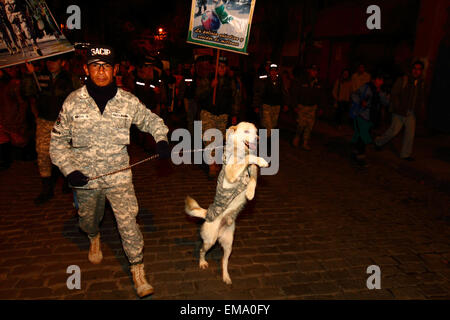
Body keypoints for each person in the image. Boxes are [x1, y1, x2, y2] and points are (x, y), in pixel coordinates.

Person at [49, 45, 170, 298]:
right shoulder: (72, 102)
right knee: (87, 219)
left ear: (115, 69)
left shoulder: (128, 101)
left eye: (106, 66)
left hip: (119, 175)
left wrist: (161, 139)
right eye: (95, 65)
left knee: (128, 223)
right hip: (85, 179)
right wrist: (69, 170)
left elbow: (153, 121)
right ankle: (93, 236)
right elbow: (57, 144)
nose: (101, 71)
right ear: (86, 69)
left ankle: (137, 267)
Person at [23, 55, 81, 205]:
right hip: (45, 120)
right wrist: (29, 75)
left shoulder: (71, 78)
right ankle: (47, 189)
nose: (50, 64)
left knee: (67, 153)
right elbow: (27, 92)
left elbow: (81, 98)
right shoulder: (38, 76)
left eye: (54, 61)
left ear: (62, 62)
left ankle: (68, 180)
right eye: (48, 61)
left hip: (65, 122)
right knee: (43, 154)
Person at [374, 61, 426, 161]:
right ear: (412, 69)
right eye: (415, 68)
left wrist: (420, 109)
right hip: (400, 111)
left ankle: (405, 154)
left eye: (419, 69)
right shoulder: (403, 79)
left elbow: (421, 97)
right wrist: (398, 107)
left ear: (421, 71)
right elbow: (394, 93)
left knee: (410, 134)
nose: (416, 71)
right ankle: (378, 142)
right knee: (393, 131)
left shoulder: (421, 83)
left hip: (411, 112)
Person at [200, 56, 238, 178]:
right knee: (210, 139)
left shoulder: (231, 81)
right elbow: (199, 96)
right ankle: (212, 165)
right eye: (219, 65)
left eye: (224, 66)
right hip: (208, 113)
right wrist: (211, 87)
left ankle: (215, 162)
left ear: (226, 68)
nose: (221, 68)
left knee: (218, 141)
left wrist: (234, 114)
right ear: (215, 67)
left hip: (223, 115)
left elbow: (235, 99)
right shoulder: (207, 78)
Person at [350, 73, 389, 167]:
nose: (380, 82)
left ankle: (356, 151)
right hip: (363, 115)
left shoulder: (381, 91)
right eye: (379, 79)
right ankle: (360, 157)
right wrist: (361, 102)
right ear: (374, 80)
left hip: (373, 117)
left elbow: (386, 103)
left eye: (382, 80)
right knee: (364, 136)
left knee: (362, 135)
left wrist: (382, 94)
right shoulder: (366, 87)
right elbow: (354, 95)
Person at [253, 63, 288, 151]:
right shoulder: (264, 80)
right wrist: (256, 105)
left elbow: (284, 93)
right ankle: (266, 145)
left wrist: (285, 104)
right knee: (268, 125)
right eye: (272, 71)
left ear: (277, 72)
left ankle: (266, 144)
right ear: (269, 72)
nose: (273, 72)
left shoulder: (280, 81)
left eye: (275, 71)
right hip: (266, 106)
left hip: (276, 107)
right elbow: (258, 93)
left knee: (273, 125)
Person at [0, 66, 30, 169]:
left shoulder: (14, 84)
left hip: (11, 117)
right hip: (5, 117)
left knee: (13, 139)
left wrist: (20, 118)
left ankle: (8, 160)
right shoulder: (6, 84)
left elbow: (22, 103)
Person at [291, 64, 323, 150]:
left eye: (316, 71)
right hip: (302, 106)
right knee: (301, 124)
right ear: (309, 71)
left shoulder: (317, 82)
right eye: (313, 70)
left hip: (312, 107)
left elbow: (320, 95)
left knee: (309, 125)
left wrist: (320, 107)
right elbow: (295, 93)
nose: (315, 72)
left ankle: (305, 142)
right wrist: (295, 105)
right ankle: (297, 137)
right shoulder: (301, 80)